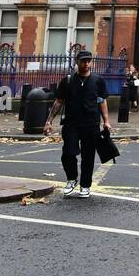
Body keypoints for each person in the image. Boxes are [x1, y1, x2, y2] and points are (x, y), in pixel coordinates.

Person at [45, 50, 111, 199]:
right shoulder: (67, 81)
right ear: (77, 61)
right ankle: (72, 179)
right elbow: (58, 102)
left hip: (91, 124)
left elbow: (102, 101)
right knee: (68, 153)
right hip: (71, 124)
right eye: (83, 61)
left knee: (88, 156)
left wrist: (106, 121)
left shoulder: (98, 81)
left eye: (89, 61)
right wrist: (49, 121)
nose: (86, 63)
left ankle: (85, 185)